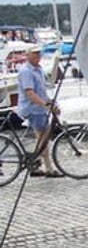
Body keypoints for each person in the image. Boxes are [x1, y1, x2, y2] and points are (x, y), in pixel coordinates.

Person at [16, 46, 60, 177]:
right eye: (34, 54)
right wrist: (46, 104)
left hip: (39, 108)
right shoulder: (26, 72)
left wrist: (50, 102)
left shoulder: (39, 70)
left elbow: (42, 91)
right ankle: (49, 168)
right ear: (28, 56)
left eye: (39, 54)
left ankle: (35, 162)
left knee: (42, 138)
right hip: (32, 108)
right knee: (43, 138)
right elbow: (30, 93)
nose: (38, 57)